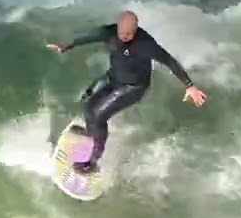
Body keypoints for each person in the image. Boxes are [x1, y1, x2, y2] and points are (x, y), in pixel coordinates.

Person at [46, 11, 207, 173]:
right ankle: (92, 133)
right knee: (88, 103)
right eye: (122, 33)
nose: (124, 36)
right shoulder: (110, 32)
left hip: (131, 87)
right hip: (114, 76)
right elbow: (89, 36)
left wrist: (190, 86)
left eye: (129, 34)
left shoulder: (145, 44)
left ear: (136, 30)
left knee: (98, 116)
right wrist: (66, 46)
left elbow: (169, 61)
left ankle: (92, 163)